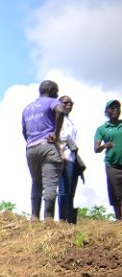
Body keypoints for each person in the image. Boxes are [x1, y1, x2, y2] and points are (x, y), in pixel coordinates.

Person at [22, 80, 63, 221]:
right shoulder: (51, 101)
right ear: (51, 90)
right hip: (47, 146)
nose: (57, 95)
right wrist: (56, 135)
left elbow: (24, 131)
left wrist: (31, 142)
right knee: (50, 183)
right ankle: (49, 219)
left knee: (36, 182)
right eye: (56, 91)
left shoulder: (27, 108)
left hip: (31, 149)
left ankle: (34, 217)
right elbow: (60, 110)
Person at [55, 96, 83, 225]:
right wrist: (61, 155)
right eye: (65, 102)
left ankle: (69, 220)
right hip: (64, 156)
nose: (68, 105)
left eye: (71, 103)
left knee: (70, 191)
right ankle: (62, 220)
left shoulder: (70, 122)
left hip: (72, 158)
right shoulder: (58, 119)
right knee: (63, 190)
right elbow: (60, 138)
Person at [95, 99, 122, 221]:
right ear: (106, 111)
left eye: (117, 107)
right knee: (116, 194)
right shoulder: (102, 129)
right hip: (112, 165)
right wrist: (104, 146)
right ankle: (119, 220)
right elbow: (96, 148)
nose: (116, 109)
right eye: (112, 107)